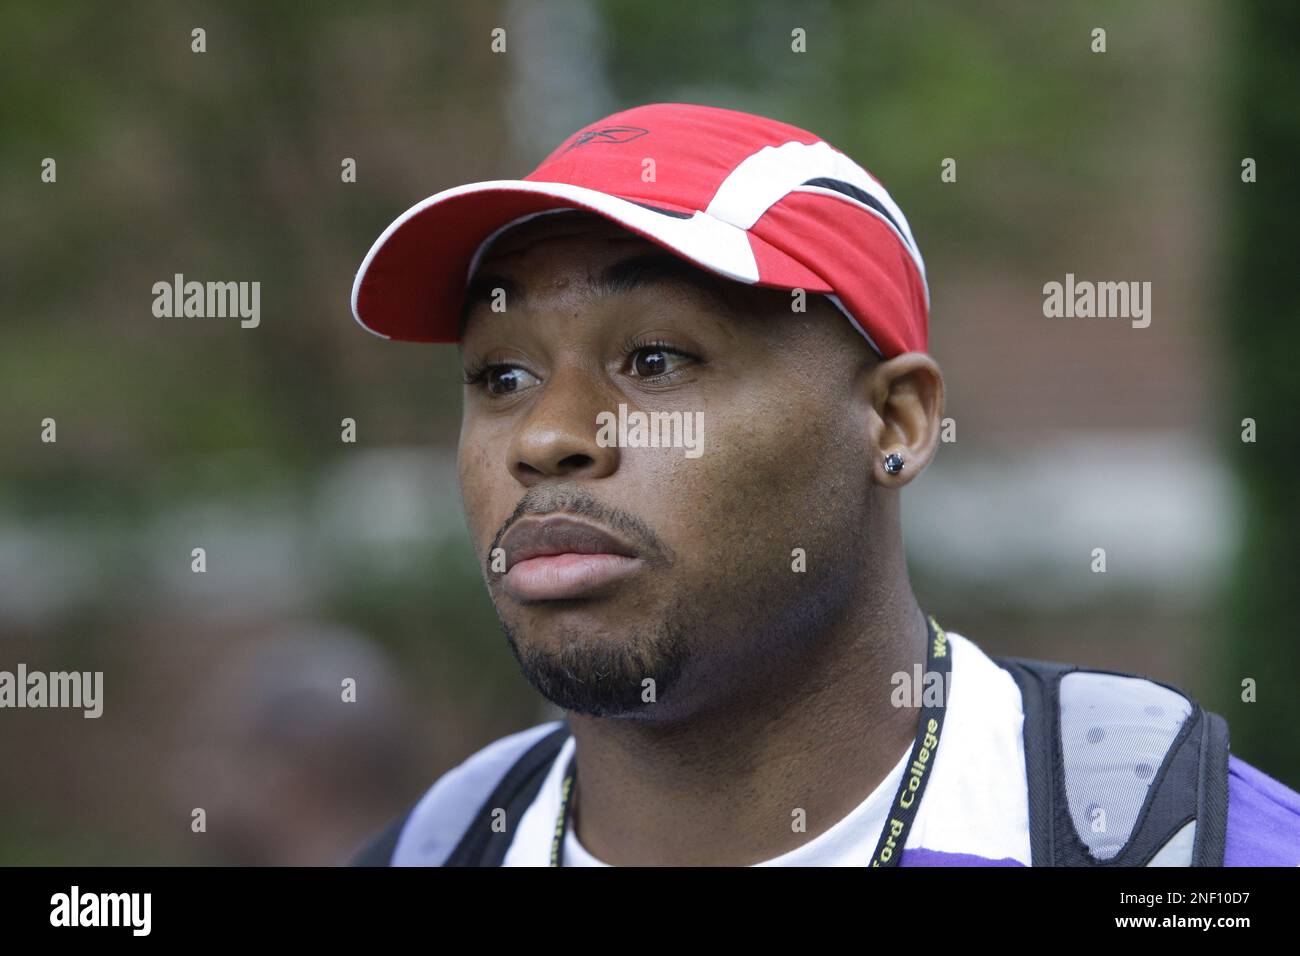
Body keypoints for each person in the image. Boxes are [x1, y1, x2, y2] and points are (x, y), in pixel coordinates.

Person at [346, 102, 1300, 866]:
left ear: (895, 422)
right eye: (500, 377)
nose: (547, 437)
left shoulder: (1175, 847)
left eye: (653, 357)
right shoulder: (443, 845)